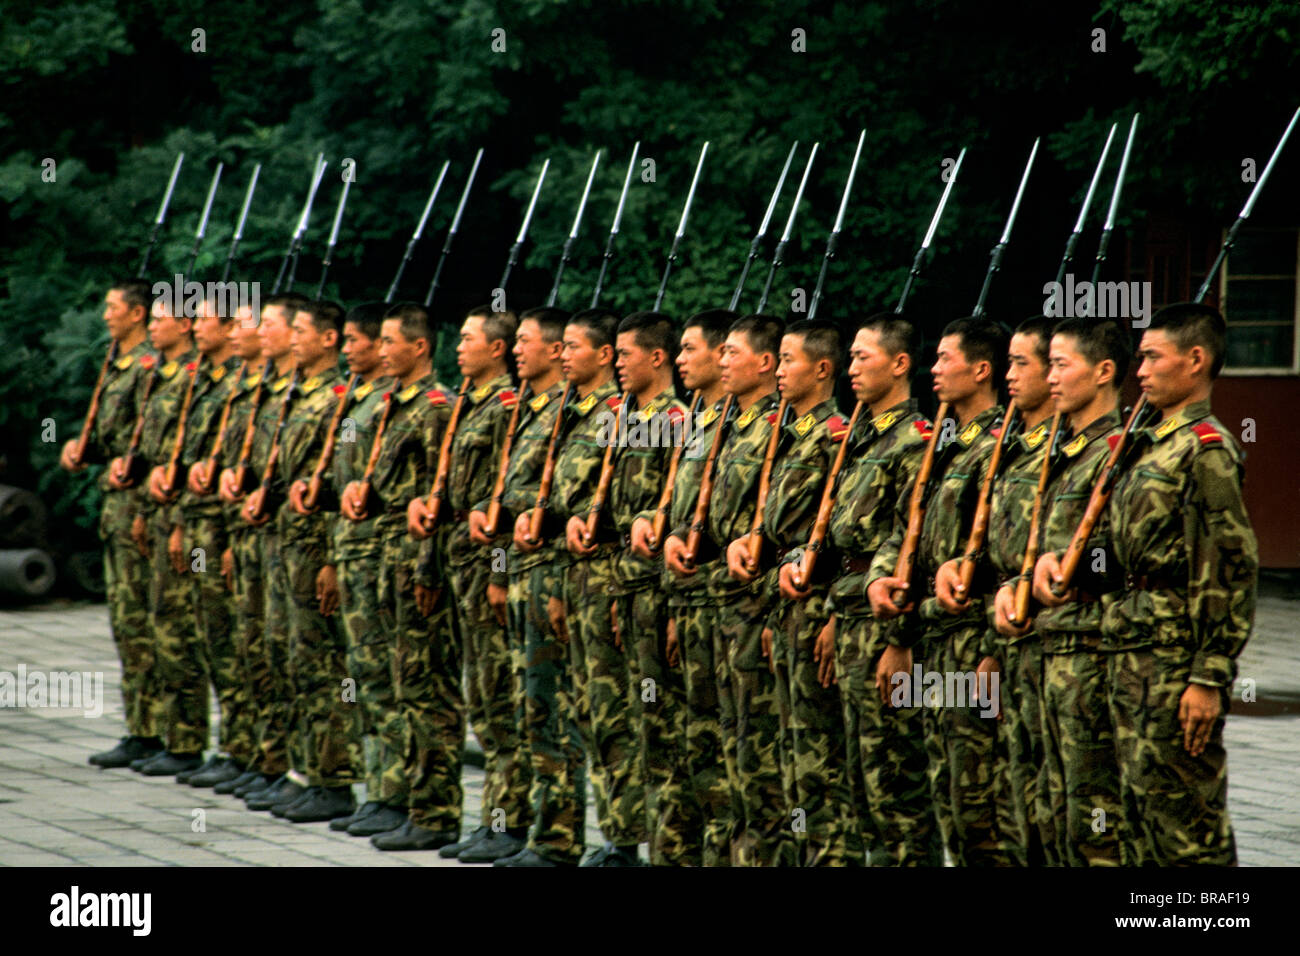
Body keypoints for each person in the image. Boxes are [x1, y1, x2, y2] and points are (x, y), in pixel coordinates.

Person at [1040, 303, 1257, 866]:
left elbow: (1229, 566)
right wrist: (1065, 570)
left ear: (1195, 360)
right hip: (1124, 653)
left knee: (1185, 827)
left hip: (1170, 661)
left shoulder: (1206, 449)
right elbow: (1121, 557)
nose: (1140, 370)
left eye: (1151, 357)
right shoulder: (1150, 445)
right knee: (1134, 821)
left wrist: (1209, 675)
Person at [868, 316, 1016, 866]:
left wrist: (993, 651)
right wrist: (887, 593)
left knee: (983, 807)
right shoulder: (945, 444)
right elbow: (907, 536)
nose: (933, 369)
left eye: (944, 359)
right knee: (946, 795)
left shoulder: (1002, 447)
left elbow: (1006, 557)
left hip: (971, 637)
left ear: (981, 371)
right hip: (931, 637)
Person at [821, 312, 941, 866]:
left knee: (895, 784)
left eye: (862, 357)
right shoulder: (862, 437)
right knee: (857, 779)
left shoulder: (914, 440)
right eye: (849, 358)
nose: (851, 370)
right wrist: (829, 613)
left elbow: (908, 549)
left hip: (882, 629)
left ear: (899, 364)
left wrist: (899, 638)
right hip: (847, 617)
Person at [341, 302, 459, 851]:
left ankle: (432, 807)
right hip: (378, 556)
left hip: (409, 559)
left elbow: (438, 495)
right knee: (382, 680)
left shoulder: (434, 407)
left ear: (419, 347)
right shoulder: (388, 402)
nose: (379, 350)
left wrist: (428, 566)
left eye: (390, 342)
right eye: (379, 341)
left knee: (421, 688)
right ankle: (394, 793)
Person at [631, 308, 734, 865]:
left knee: (721, 750)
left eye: (690, 348)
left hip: (723, 604)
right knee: (675, 741)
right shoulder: (698, 421)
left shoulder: (751, 427)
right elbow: (678, 501)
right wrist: (654, 520)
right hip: (680, 600)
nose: (680, 359)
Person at [65, 279, 162, 770]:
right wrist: (84, 449)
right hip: (114, 504)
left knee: (146, 621)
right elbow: (113, 435)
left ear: (137, 313)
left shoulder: (148, 366)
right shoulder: (116, 361)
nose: (105, 315)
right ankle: (139, 728)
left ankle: (160, 731)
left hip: (136, 504)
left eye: (112, 307)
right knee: (126, 623)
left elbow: (151, 443)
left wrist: (145, 506)